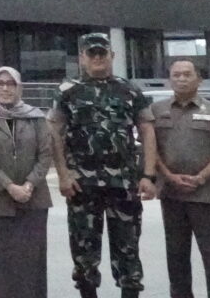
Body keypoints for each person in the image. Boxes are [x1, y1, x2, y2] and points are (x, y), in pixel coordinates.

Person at [49, 32, 159, 298]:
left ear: (112, 56)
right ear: (82, 58)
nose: (97, 58)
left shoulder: (130, 90)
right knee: (84, 255)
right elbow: (53, 132)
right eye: (91, 53)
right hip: (82, 186)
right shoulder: (68, 91)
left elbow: (147, 131)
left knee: (128, 252)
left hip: (123, 185)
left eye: (102, 53)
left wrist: (148, 175)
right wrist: (63, 175)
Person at [153, 59, 210, 298]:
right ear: (170, 79)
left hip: (207, 196)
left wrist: (200, 178)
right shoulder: (157, 111)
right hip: (172, 196)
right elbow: (151, 148)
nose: (181, 79)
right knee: (176, 257)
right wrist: (168, 176)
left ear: (198, 79)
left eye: (187, 74)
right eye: (176, 74)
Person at [0, 66, 53, 298]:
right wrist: (10, 187)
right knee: (1, 262)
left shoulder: (36, 117)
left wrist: (28, 185)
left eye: (11, 84)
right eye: (0, 83)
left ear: (19, 87)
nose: (5, 88)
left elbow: (45, 155)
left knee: (32, 262)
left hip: (34, 200)